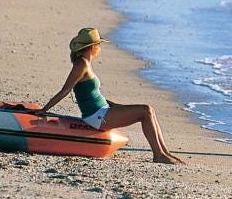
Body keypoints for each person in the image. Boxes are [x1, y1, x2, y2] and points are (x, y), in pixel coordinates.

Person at [37, 27, 184, 165]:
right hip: (96, 116)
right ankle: (158, 155)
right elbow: (65, 90)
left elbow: (93, 95)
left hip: (103, 110)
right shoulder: (81, 64)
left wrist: (116, 106)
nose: (99, 48)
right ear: (91, 47)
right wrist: (44, 110)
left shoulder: (85, 63)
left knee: (149, 110)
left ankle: (164, 152)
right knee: (145, 110)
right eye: (98, 45)